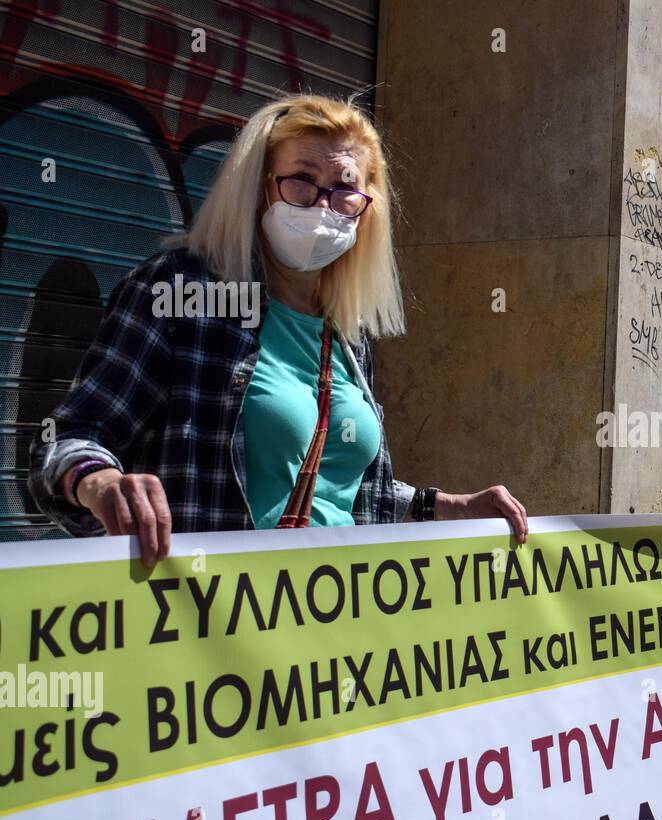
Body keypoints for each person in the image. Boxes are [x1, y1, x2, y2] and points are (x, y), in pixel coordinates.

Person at [29, 94, 528, 563]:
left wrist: (448, 506)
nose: (321, 206)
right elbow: (69, 437)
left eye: (344, 191)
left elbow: (337, 493)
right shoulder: (183, 292)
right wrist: (98, 483)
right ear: (260, 186)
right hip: (210, 625)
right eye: (301, 182)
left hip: (326, 626)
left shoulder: (346, 335)